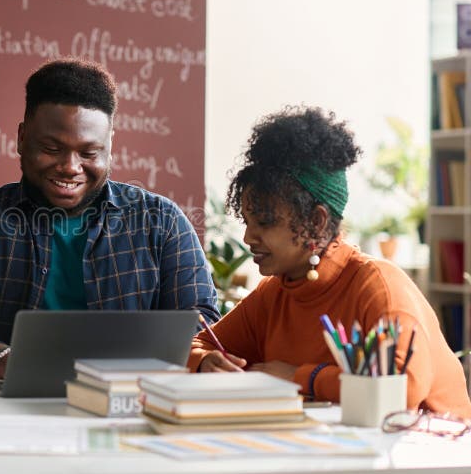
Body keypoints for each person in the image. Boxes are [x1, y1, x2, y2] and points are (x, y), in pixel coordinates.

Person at [0, 58, 220, 379]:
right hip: (4, 404)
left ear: (109, 147)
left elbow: (200, 319)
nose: (70, 167)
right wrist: (2, 361)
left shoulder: (163, 222)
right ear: (22, 138)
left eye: (89, 153)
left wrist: (197, 357)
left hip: (129, 402)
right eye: (52, 148)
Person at [188, 105, 471, 417]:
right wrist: (203, 363)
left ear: (316, 221)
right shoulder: (274, 294)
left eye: (265, 222)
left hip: (430, 457)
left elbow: (403, 388)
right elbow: (196, 345)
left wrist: (299, 377)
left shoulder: (379, 286)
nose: (248, 237)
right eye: (247, 221)